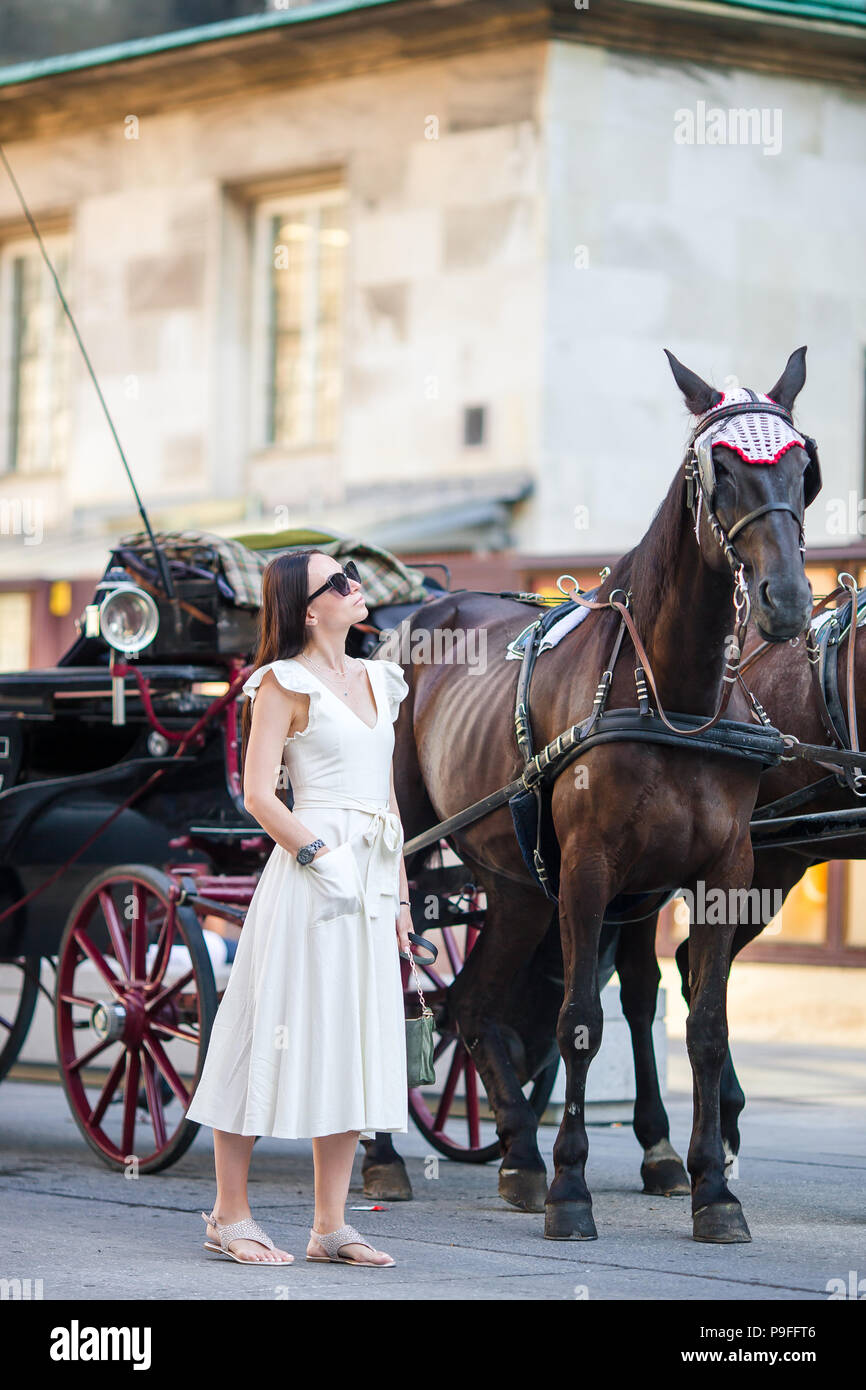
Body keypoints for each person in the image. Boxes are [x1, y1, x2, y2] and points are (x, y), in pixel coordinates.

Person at [186, 549, 413, 1267]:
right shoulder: (282, 682)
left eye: (353, 577)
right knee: (264, 1027)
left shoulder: (381, 678)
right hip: (313, 869)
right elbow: (258, 793)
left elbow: (387, 796)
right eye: (340, 583)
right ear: (309, 608)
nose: (356, 588)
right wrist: (322, 857)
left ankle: (330, 1225)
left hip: (372, 873)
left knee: (352, 1035)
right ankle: (228, 1214)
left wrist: (400, 891)